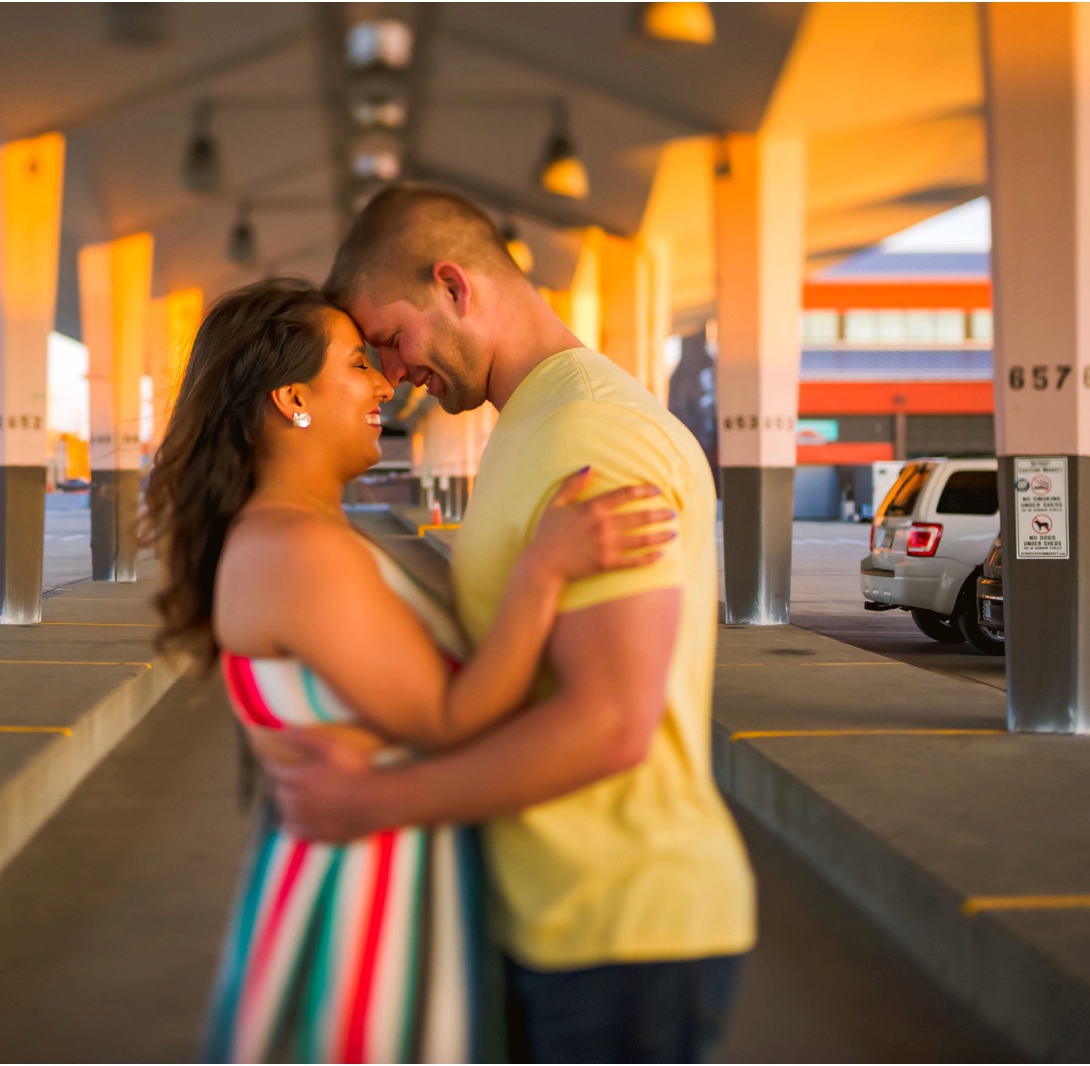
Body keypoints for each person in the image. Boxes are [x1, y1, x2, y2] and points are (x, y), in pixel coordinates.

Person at [268, 185, 756, 1064]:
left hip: (623, 930)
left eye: (387, 337)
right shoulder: (535, 421)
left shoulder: (593, 435)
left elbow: (610, 722)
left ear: (454, 287)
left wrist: (375, 803)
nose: (385, 373)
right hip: (566, 919)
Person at [142, 278, 676, 1063]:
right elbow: (450, 717)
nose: (384, 384)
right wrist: (541, 573)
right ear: (292, 399)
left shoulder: (293, 537)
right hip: (361, 930)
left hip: (368, 893)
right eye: (357, 364)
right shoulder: (298, 550)